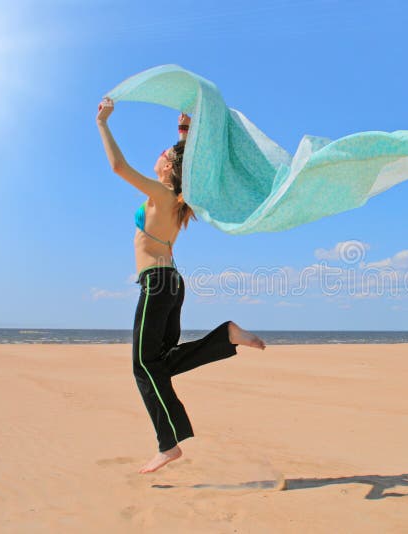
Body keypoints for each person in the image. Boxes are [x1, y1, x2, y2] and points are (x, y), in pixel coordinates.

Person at [96, 97, 266, 474]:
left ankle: (167, 444)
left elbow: (118, 166)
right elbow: (182, 158)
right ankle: (227, 336)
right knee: (157, 363)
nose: (157, 156)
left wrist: (103, 124)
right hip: (170, 283)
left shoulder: (161, 196)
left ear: (169, 167)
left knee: (144, 363)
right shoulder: (175, 200)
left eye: (162, 155)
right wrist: (185, 128)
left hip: (158, 283)